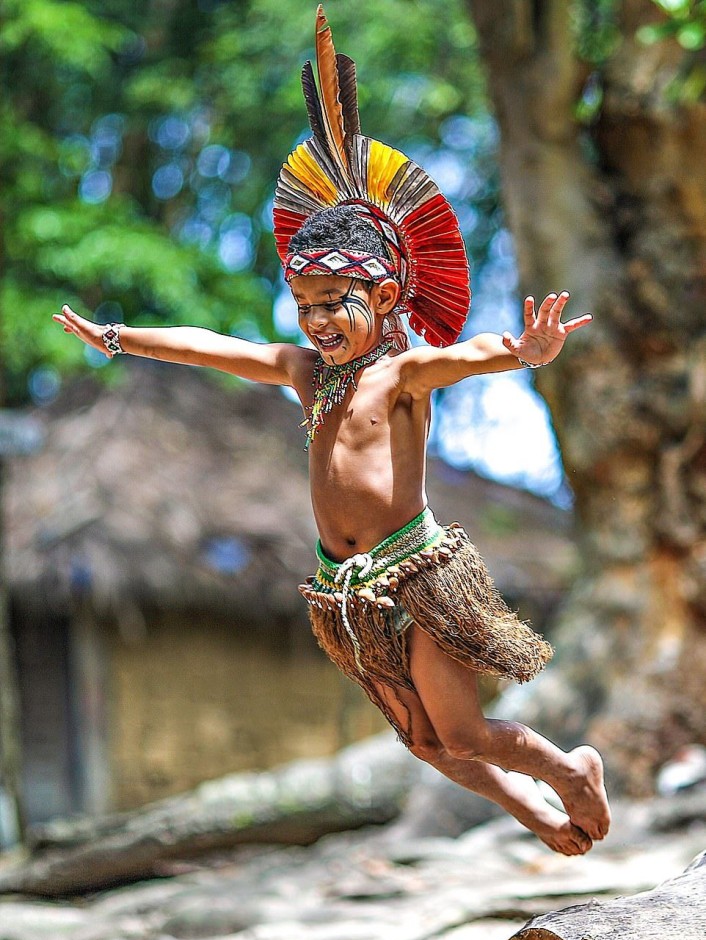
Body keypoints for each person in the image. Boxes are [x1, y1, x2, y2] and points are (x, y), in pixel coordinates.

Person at [53, 7, 610, 855]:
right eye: (303, 305)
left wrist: (525, 352)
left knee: (461, 732)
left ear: (385, 297)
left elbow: (469, 353)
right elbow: (214, 348)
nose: (315, 322)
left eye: (332, 303)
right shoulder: (306, 373)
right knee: (425, 744)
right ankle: (535, 817)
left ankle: (568, 775)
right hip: (345, 589)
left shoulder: (403, 374)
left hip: (417, 575)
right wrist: (121, 337)